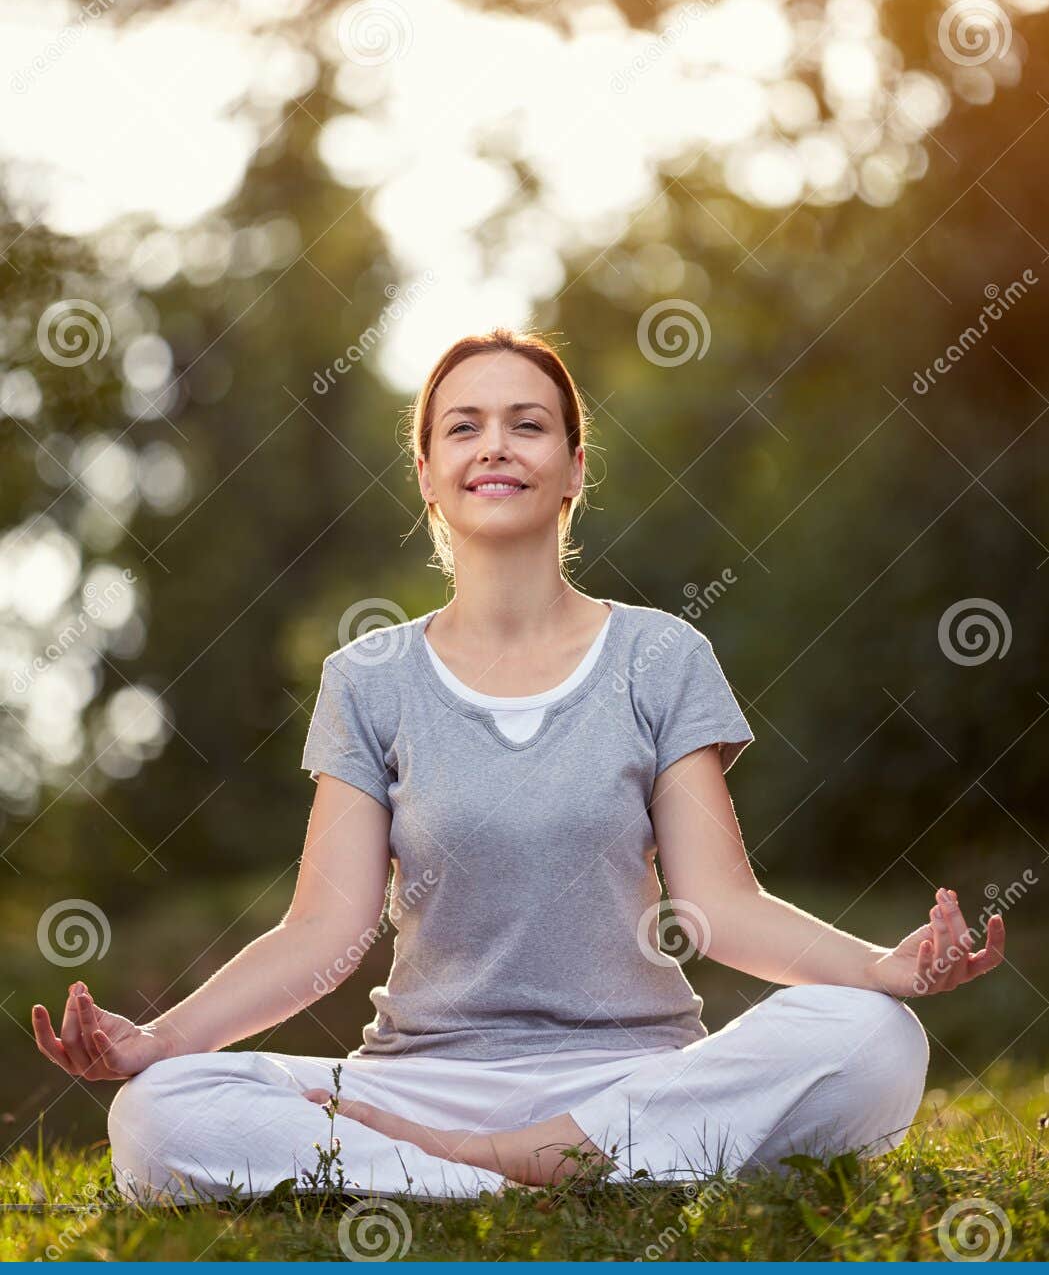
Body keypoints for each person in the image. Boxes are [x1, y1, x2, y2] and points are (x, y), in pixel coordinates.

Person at [31, 328, 1005, 1206]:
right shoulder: (368, 677)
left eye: (526, 423)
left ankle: (486, 1165)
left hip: (627, 1073)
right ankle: (514, 1164)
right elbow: (322, 930)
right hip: (420, 1077)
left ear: (574, 466)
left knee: (872, 1037)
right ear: (426, 471)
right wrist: (162, 1040)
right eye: (463, 426)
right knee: (160, 1112)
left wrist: (882, 969)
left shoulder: (658, 657)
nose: (494, 444)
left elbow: (724, 905)